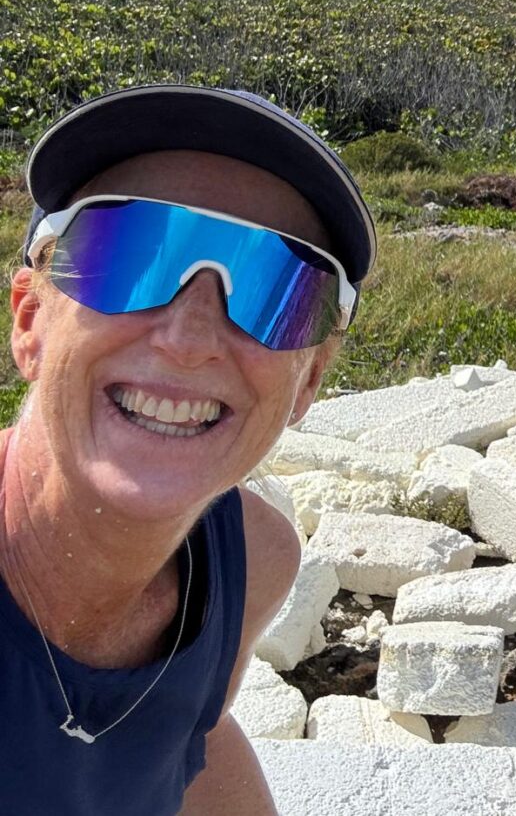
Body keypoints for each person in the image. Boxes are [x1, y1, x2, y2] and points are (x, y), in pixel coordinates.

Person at [0, 85, 376, 813]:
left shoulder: (255, 560)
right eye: (131, 254)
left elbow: (188, 734)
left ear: (308, 382)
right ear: (30, 321)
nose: (189, 338)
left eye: (275, 288)